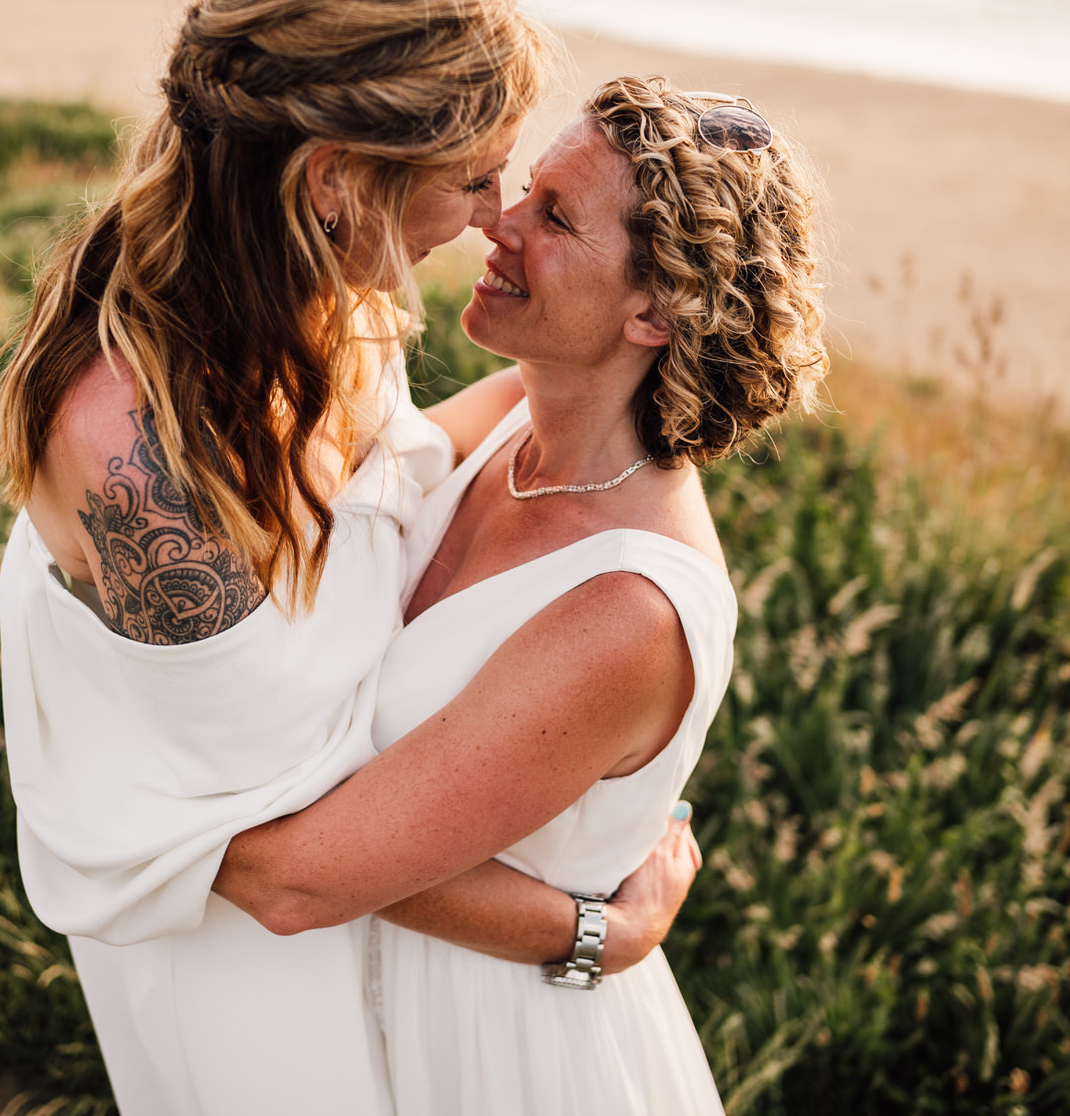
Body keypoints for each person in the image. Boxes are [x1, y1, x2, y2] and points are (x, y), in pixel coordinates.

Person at [0, 0, 695, 1116]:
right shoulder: (137, 464)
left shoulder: (305, 288)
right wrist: (596, 932)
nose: (488, 213)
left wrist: (621, 406)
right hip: (257, 984)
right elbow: (278, 865)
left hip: (369, 935)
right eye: (473, 177)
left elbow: (402, 466)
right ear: (335, 182)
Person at [215, 74, 829, 1114]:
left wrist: (143, 778)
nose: (494, 223)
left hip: (489, 1053)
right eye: (523, 190)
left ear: (655, 309)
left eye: (554, 216)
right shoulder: (511, 414)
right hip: (342, 1001)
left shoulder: (631, 609)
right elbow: (297, 504)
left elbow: (298, 877)